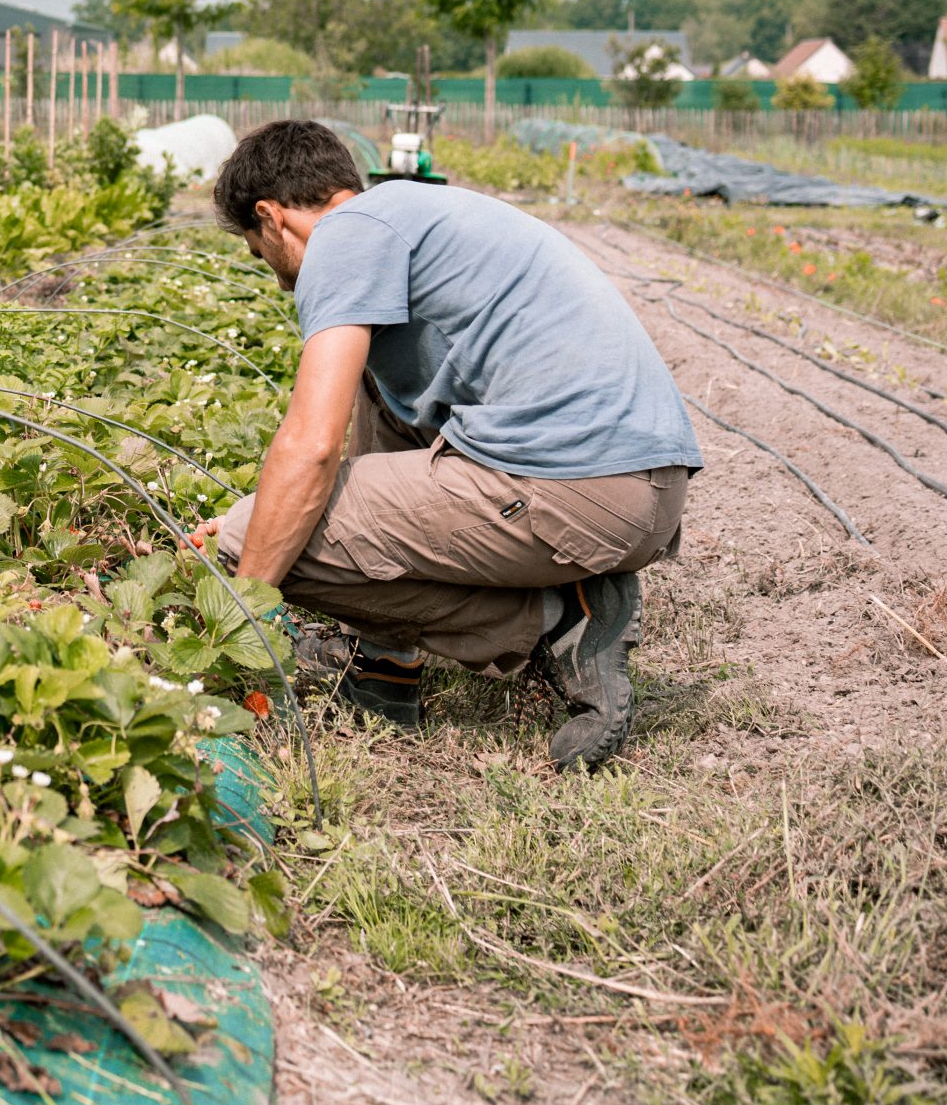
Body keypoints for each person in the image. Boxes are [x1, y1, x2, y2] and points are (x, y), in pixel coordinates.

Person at [191, 119, 701, 770]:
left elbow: (311, 447)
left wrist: (243, 593)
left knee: (251, 538)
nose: (277, 280)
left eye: (259, 254)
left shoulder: (343, 237)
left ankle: (555, 619)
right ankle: (382, 664)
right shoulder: (414, 213)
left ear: (271, 217)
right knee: (377, 387)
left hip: (579, 492)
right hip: (644, 484)